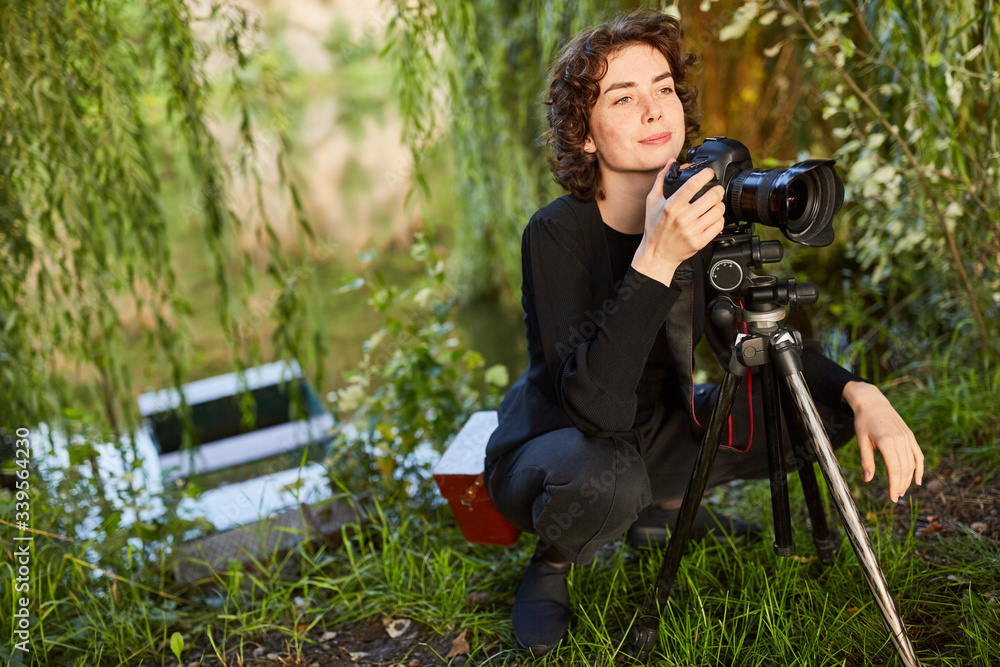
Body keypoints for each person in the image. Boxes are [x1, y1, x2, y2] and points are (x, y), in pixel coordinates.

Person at [482, 8, 925, 657]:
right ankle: (552, 561)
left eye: (662, 88)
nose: (653, 110)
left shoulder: (701, 210)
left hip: (658, 434)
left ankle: (664, 511)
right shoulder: (557, 232)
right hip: (562, 450)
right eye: (623, 97)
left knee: (820, 408)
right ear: (583, 135)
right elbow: (595, 407)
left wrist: (862, 391)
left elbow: (759, 336)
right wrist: (657, 257)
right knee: (608, 477)